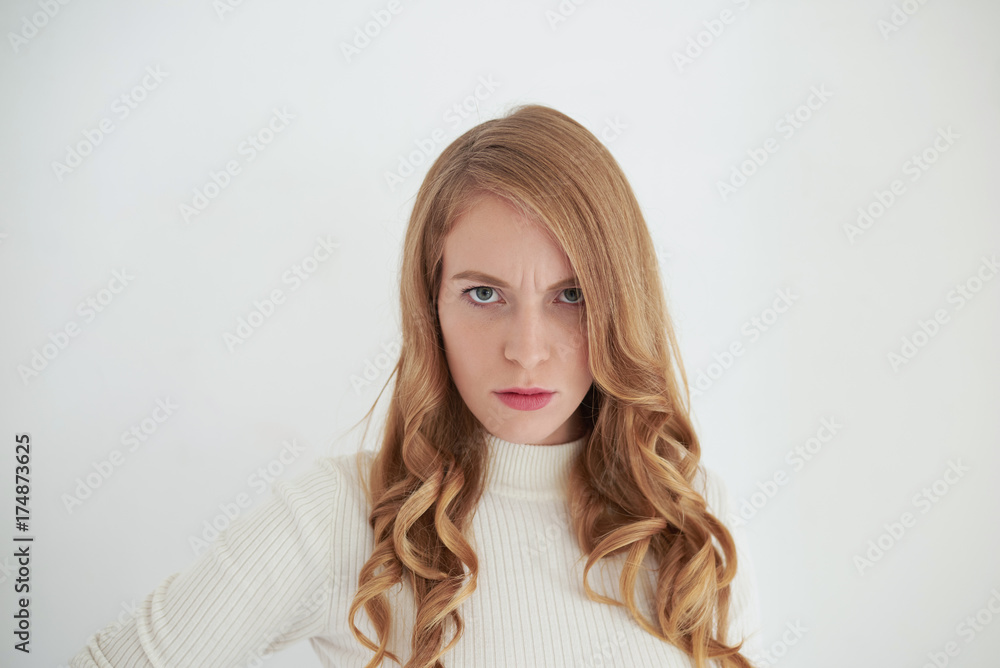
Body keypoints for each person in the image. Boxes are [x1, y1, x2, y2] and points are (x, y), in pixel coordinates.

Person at [69, 104, 763, 667]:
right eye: (484, 293)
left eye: (572, 295)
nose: (526, 351)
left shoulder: (693, 520)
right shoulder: (339, 518)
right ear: (430, 306)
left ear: (621, 302)